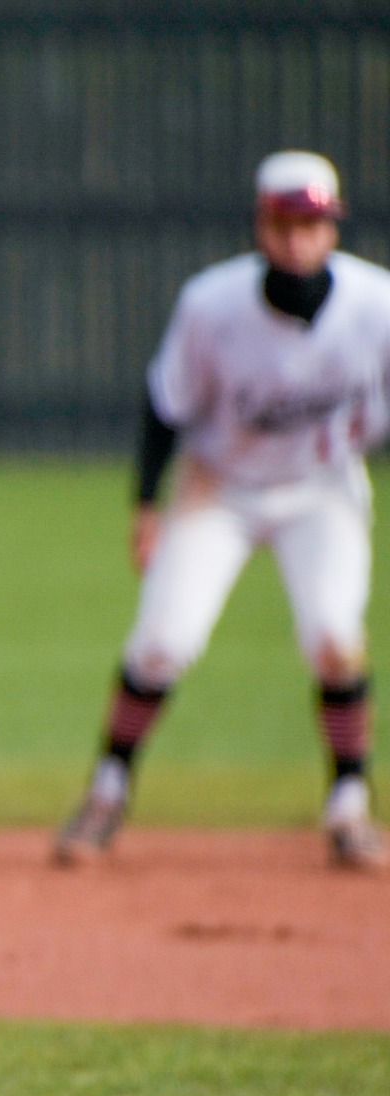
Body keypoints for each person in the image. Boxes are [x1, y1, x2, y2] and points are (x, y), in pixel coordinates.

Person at [54, 151, 390, 871]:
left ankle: (349, 804)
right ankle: (107, 791)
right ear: (260, 226)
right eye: (284, 222)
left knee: (334, 637)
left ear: (333, 228)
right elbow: (163, 403)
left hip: (322, 489)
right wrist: (146, 504)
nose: (298, 238)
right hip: (220, 489)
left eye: (313, 223)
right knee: (162, 641)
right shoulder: (212, 305)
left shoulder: (376, 304)